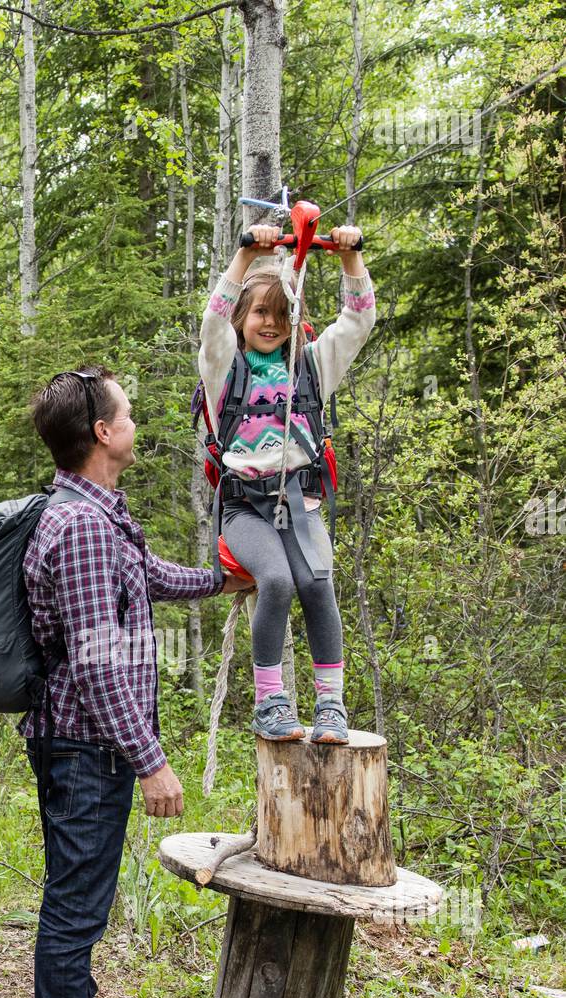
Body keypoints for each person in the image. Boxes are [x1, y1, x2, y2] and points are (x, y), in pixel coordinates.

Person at [20, 367, 249, 998]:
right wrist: (149, 759)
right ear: (101, 434)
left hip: (88, 739)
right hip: (85, 742)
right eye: (127, 411)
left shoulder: (99, 514)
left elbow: (143, 580)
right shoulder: (80, 526)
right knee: (75, 909)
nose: (135, 419)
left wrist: (220, 582)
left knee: (80, 899)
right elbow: (93, 659)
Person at [198, 223, 376, 744]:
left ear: (296, 321)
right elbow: (211, 322)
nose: (271, 324)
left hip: (301, 504)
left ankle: (330, 705)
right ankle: (270, 701)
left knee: (318, 583)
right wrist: (245, 254)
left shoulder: (312, 367)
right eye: (259, 313)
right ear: (241, 319)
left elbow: (358, 320)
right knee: (275, 580)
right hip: (245, 510)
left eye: (281, 314)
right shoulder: (224, 370)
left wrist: (350, 259)